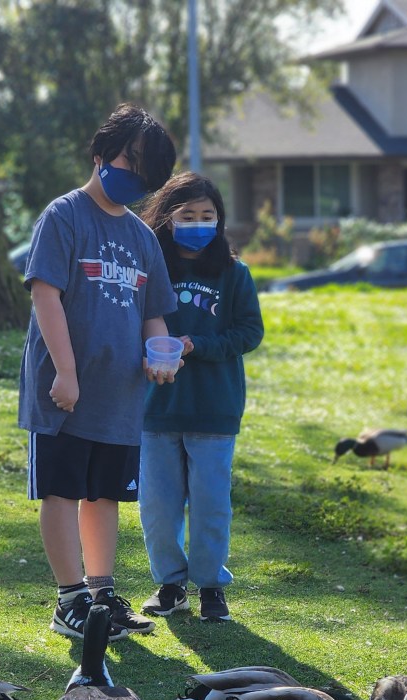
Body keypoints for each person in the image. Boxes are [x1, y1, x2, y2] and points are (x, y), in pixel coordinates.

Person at [18, 104, 179, 641]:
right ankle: (70, 601)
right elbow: (46, 296)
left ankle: (101, 594)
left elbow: (153, 311)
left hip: (119, 396)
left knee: (104, 495)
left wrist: (162, 354)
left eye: (145, 176)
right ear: (100, 153)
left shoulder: (142, 237)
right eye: (128, 164)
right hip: (65, 392)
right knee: (62, 491)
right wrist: (65, 372)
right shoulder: (63, 217)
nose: (133, 179)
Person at [138, 172, 264, 623]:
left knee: (211, 505)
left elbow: (250, 332)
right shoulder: (150, 271)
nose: (198, 222)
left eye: (207, 215)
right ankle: (170, 585)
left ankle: (211, 586)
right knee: (157, 505)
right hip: (155, 410)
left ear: (219, 220)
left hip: (215, 409)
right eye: (187, 215)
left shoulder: (235, 273)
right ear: (166, 219)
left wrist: (199, 345)